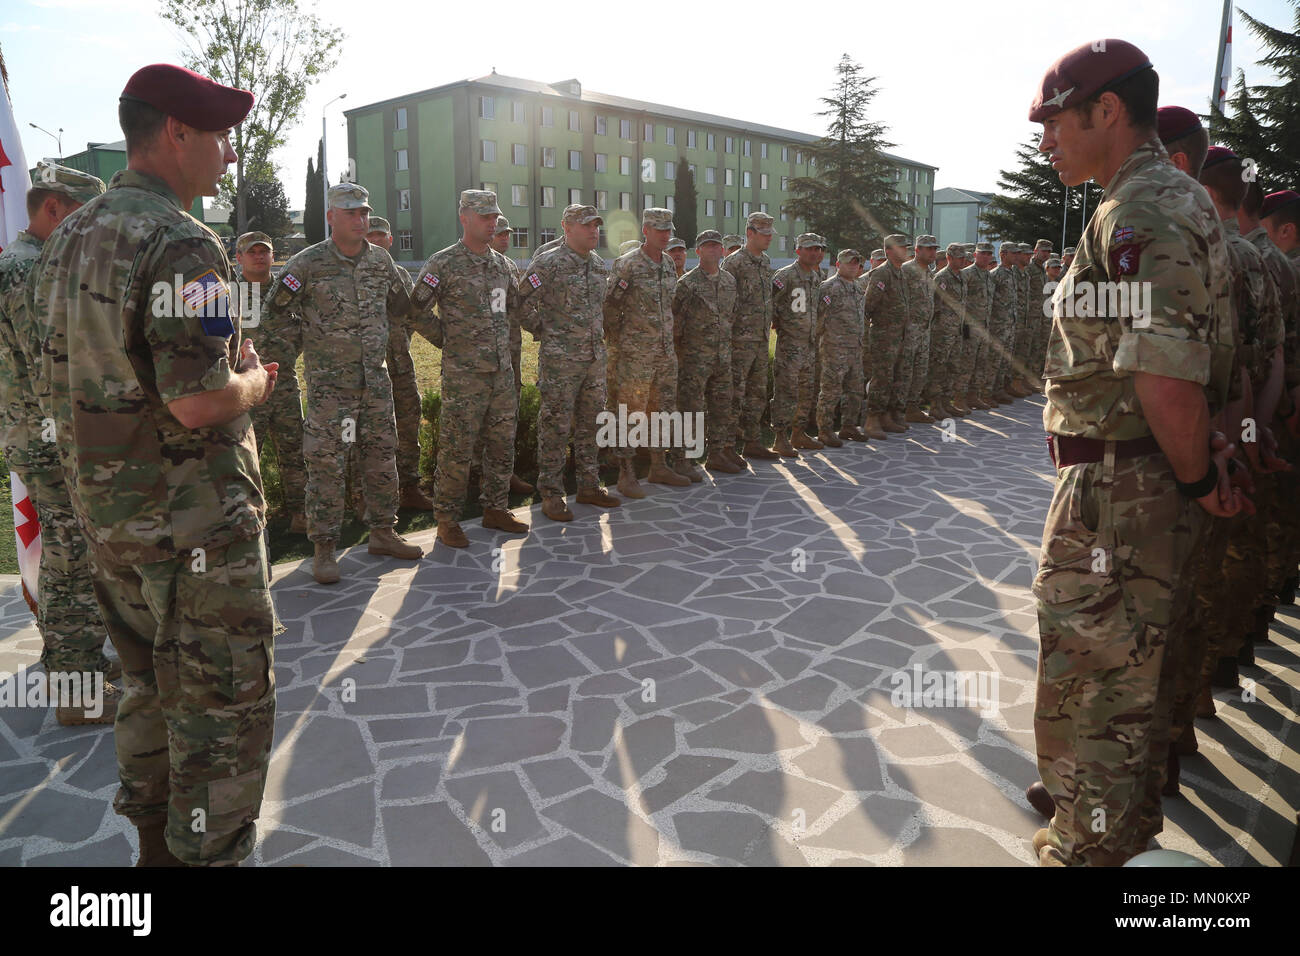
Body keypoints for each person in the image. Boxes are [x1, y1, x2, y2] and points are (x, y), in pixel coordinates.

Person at [30, 63, 283, 865]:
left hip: (114, 525)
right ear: (176, 133)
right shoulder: (181, 243)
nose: (230, 156)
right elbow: (200, 401)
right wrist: (256, 381)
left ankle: (153, 854)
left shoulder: (68, 235)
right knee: (223, 714)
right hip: (194, 533)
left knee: (145, 691)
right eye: (220, 137)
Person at [1027, 39, 1239, 867]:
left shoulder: (1141, 208)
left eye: (1054, 120)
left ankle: (1088, 853)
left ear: (1106, 110)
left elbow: (1165, 378)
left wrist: (1194, 482)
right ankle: (1108, 836)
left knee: (1097, 695)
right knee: (1131, 690)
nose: (1046, 141)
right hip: (1139, 482)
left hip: (1120, 493)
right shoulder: (1158, 198)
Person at [0, 161, 119, 727]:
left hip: (34, 436)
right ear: (53, 210)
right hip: (54, 442)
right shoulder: (29, 274)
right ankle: (78, 689)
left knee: (65, 558)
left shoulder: (16, 265)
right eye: (81, 218)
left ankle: (74, 665)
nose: (89, 232)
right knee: (72, 561)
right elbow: (52, 367)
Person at [265, 184, 423, 583]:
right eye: (350, 212)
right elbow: (275, 315)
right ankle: (324, 549)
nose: (360, 219)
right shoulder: (307, 264)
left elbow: (401, 306)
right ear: (331, 216)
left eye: (364, 212)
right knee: (327, 469)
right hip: (329, 390)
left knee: (381, 461)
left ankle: (384, 533)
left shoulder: (381, 262)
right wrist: (309, 341)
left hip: (376, 384)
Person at [409, 190, 530, 547]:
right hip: (464, 377)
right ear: (464, 217)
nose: (492, 223)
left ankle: (495, 508)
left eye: (494, 217)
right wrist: (446, 339)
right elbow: (416, 310)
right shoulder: (443, 264)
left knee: (501, 445)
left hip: (501, 374)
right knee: (457, 449)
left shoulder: (504, 266)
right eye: (484, 217)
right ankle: (447, 519)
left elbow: (513, 311)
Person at [515, 204, 621, 520]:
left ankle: (589, 485)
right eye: (586, 225)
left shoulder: (600, 265)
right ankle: (551, 493)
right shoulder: (547, 264)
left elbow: (603, 307)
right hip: (560, 362)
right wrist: (545, 331)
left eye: (596, 225)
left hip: (593, 360)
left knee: (590, 424)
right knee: (556, 426)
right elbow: (519, 303)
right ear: (566, 227)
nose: (594, 231)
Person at [604, 208, 692, 496]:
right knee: (631, 413)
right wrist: (623, 346)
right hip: (636, 355)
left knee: (663, 410)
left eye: (668, 230)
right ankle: (625, 473)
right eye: (658, 230)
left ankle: (659, 464)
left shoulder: (668, 264)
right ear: (645, 231)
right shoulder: (627, 265)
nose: (665, 235)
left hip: (665, 355)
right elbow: (610, 308)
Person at [239, 230, 309, 532]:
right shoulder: (227, 294)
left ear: (271, 255)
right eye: (251, 251)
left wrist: (289, 354)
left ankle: (300, 514)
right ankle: (253, 519)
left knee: (295, 451)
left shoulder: (289, 291)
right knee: (246, 458)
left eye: (263, 251)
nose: (258, 256)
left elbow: (305, 328)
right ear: (239, 257)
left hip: (284, 384)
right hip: (244, 389)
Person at [364, 216, 434, 510]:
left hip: (401, 366)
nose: (378, 240)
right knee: (367, 431)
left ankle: (410, 488)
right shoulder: (355, 275)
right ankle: (367, 498)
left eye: (383, 236)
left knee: (408, 423)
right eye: (372, 236)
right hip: (366, 371)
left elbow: (413, 316)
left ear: (390, 240)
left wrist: (401, 342)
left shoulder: (402, 275)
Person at [672, 229, 743, 474]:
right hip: (694, 360)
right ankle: (685, 460)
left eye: (716, 246)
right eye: (707, 246)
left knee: (722, 407)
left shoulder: (729, 281)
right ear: (698, 251)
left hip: (722, 358)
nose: (713, 250)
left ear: (723, 251)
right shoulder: (687, 284)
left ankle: (717, 454)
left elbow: (732, 316)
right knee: (691, 410)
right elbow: (676, 326)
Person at [723, 211, 781, 462]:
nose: (768, 237)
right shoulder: (734, 263)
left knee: (757, 394)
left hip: (759, 339)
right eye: (764, 233)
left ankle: (752, 441)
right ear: (750, 233)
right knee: (734, 393)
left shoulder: (765, 261)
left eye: (770, 233)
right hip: (739, 341)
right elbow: (725, 303)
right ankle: (725, 447)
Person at [489, 215, 536, 496]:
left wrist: (541, 328)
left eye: (508, 233)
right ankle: (482, 476)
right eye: (500, 234)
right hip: (478, 362)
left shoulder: (508, 267)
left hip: (511, 355)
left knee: (507, 418)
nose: (506, 238)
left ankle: (506, 473)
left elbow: (518, 308)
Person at [770, 233, 826, 457]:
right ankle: (780, 437)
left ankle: (799, 433)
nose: (815, 253)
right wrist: (779, 324)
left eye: (818, 249)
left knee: (806, 391)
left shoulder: (815, 276)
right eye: (810, 248)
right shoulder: (785, 275)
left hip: (810, 346)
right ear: (798, 251)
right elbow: (770, 303)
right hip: (790, 346)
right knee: (786, 392)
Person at [815, 248, 868, 446]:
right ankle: (825, 430)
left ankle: (848, 426)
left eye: (856, 263)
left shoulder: (857, 288)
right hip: (834, 349)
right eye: (849, 262)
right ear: (838, 264)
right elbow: (819, 319)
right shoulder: (829, 288)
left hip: (855, 349)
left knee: (855, 391)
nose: (853, 266)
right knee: (830, 391)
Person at [861, 234, 911, 437]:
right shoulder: (881, 274)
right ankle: (872, 419)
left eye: (906, 247)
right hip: (883, 336)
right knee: (881, 378)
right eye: (900, 248)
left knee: (895, 378)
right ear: (889, 251)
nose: (905, 251)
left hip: (899, 335)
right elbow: (868, 306)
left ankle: (886, 417)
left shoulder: (901, 273)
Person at [899, 236, 938, 424]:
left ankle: (912, 408)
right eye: (928, 249)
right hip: (909, 330)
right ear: (917, 250)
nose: (933, 253)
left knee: (920, 372)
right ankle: (898, 410)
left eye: (934, 249)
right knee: (904, 372)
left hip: (924, 330)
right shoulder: (906, 270)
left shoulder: (930, 272)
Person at [927, 242, 968, 418]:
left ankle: (946, 402)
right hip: (942, 332)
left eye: (964, 258)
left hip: (956, 330)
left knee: (953, 368)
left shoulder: (962, 277)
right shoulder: (942, 278)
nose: (962, 261)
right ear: (949, 258)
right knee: (939, 368)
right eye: (959, 258)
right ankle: (935, 405)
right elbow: (934, 305)